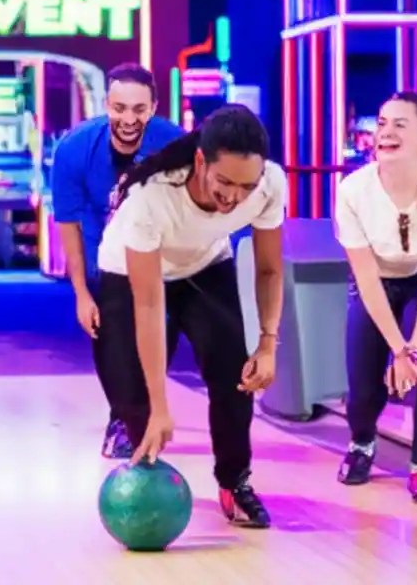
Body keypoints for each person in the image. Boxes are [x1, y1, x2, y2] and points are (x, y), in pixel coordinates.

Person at [97, 104, 286, 529]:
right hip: (128, 274)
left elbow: (270, 269)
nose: (235, 197)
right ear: (201, 161)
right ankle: (142, 477)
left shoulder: (270, 183)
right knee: (135, 398)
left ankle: (234, 481)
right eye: (224, 182)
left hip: (202, 265)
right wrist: (162, 406)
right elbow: (148, 304)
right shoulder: (152, 197)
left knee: (234, 374)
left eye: (246, 186)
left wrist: (268, 343)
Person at [333, 92, 417, 509]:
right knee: (362, 380)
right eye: (381, 122)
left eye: (399, 124)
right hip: (380, 281)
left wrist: (415, 349)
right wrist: (398, 348)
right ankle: (361, 444)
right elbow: (367, 279)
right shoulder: (353, 190)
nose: (385, 132)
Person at [51, 63, 183, 459]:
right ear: (106, 105)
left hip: (160, 257)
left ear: (154, 107)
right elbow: (69, 224)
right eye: (120, 108)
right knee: (111, 340)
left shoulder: (174, 144)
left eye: (139, 109)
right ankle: (123, 417)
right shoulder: (74, 150)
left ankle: (138, 412)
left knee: (159, 336)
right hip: (102, 258)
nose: (129, 119)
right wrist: (80, 294)